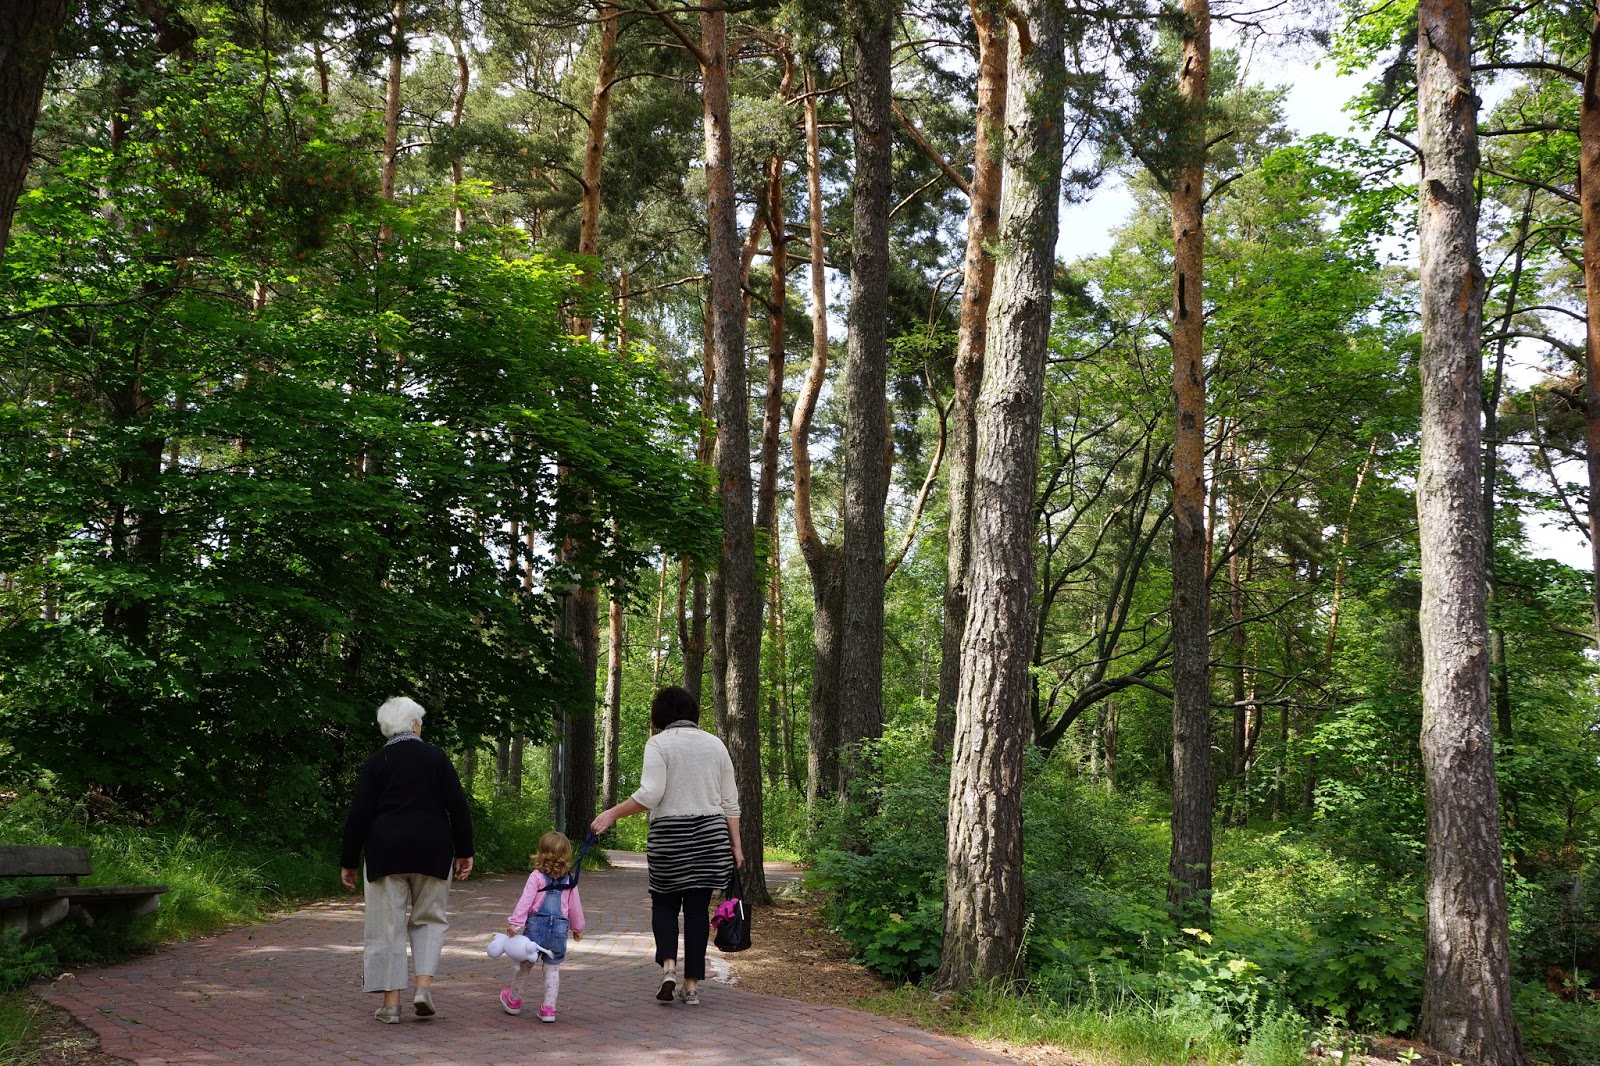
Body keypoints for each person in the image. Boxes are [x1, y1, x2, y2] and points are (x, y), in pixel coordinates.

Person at [590, 685, 742, 1007]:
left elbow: (650, 794)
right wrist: (736, 849)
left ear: (660, 715)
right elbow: (731, 803)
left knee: (664, 904)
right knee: (698, 911)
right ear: (693, 711)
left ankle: (669, 968)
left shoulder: (658, 744)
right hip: (710, 836)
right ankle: (691, 986)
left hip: (669, 834)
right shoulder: (716, 745)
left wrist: (611, 813)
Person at [340, 696, 474, 1024]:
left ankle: (390, 1005)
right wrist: (465, 850)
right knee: (430, 918)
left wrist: (349, 860)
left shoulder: (376, 762)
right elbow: (458, 806)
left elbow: (358, 815)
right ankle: (423, 987)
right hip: (433, 848)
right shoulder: (437, 758)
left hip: (386, 850)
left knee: (387, 924)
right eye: (421, 721)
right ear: (413, 724)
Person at [500, 830, 586, 1022]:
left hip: (535, 931)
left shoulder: (536, 876)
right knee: (552, 969)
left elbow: (526, 901)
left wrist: (515, 923)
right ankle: (549, 1008)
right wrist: (577, 928)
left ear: (541, 853)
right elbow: (575, 906)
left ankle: (513, 1000)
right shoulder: (569, 880)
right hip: (558, 932)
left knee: (525, 965)